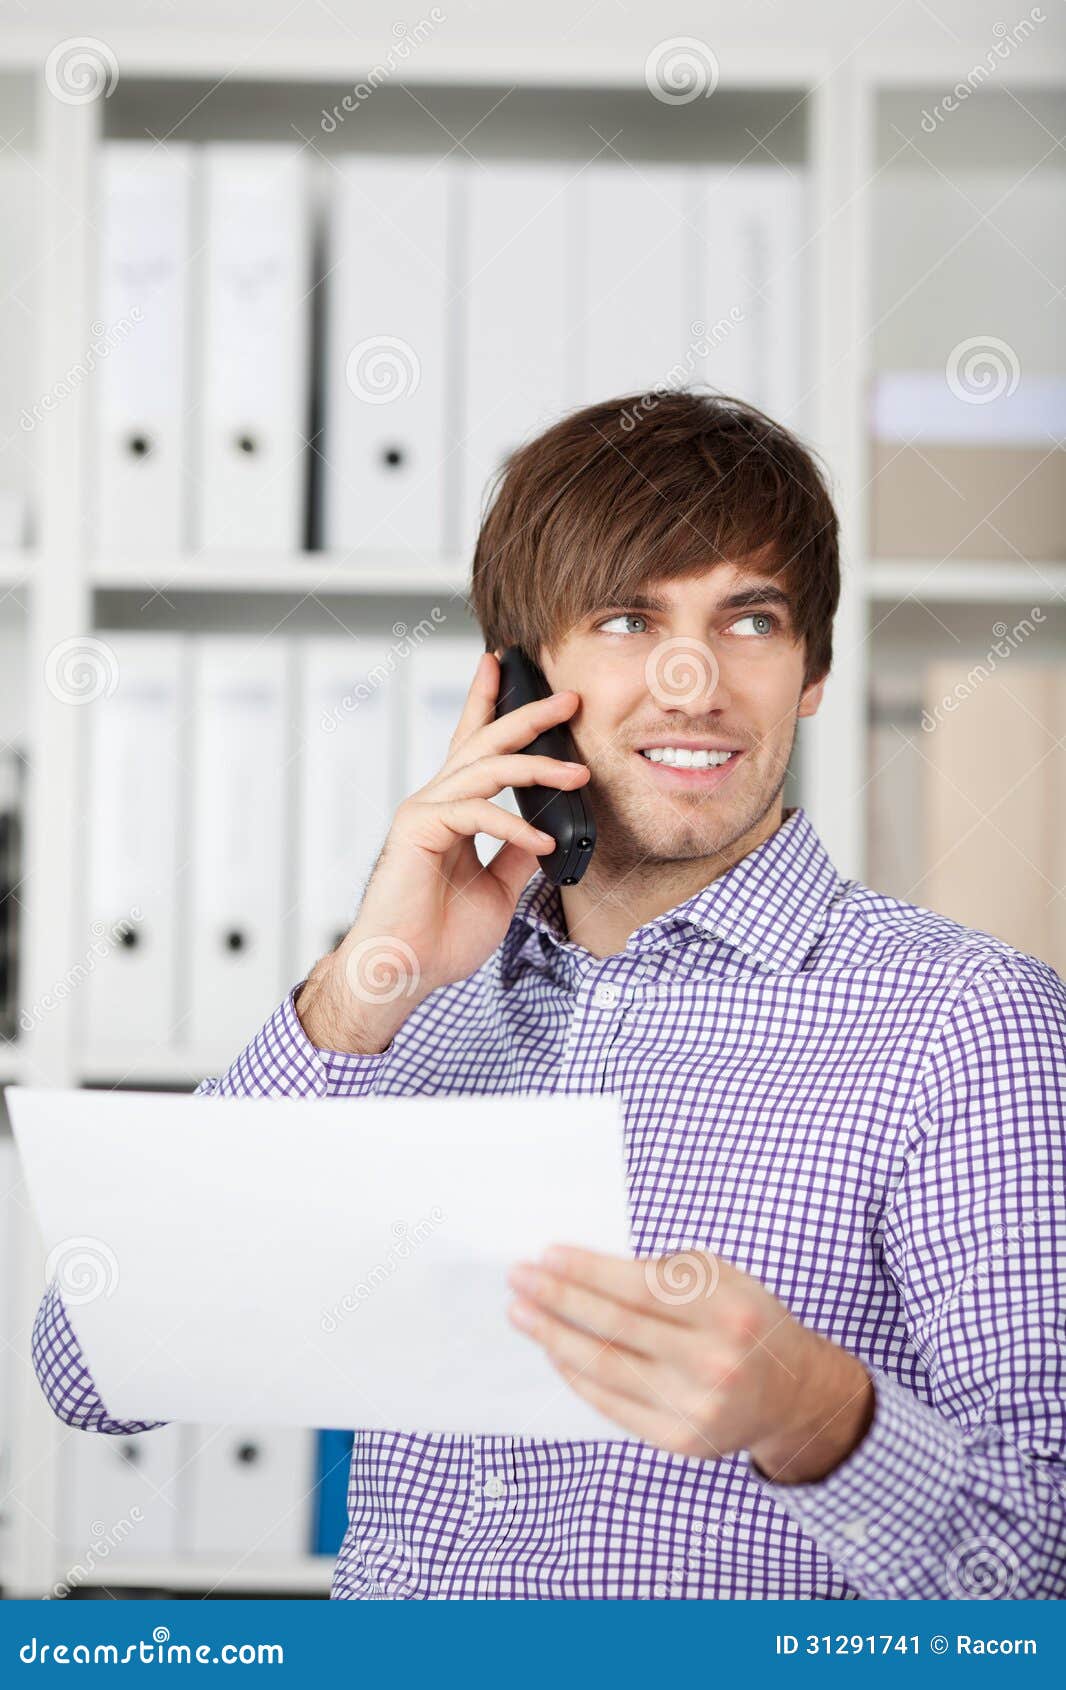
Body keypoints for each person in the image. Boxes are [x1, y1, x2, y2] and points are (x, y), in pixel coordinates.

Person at [33, 392, 1065, 1600]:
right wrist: (360, 994)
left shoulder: (966, 1023)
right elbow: (93, 1366)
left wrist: (819, 1419)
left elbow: (1034, 1560)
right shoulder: (405, 1007)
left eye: (750, 618)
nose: (692, 683)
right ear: (520, 674)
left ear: (814, 670)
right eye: (629, 619)